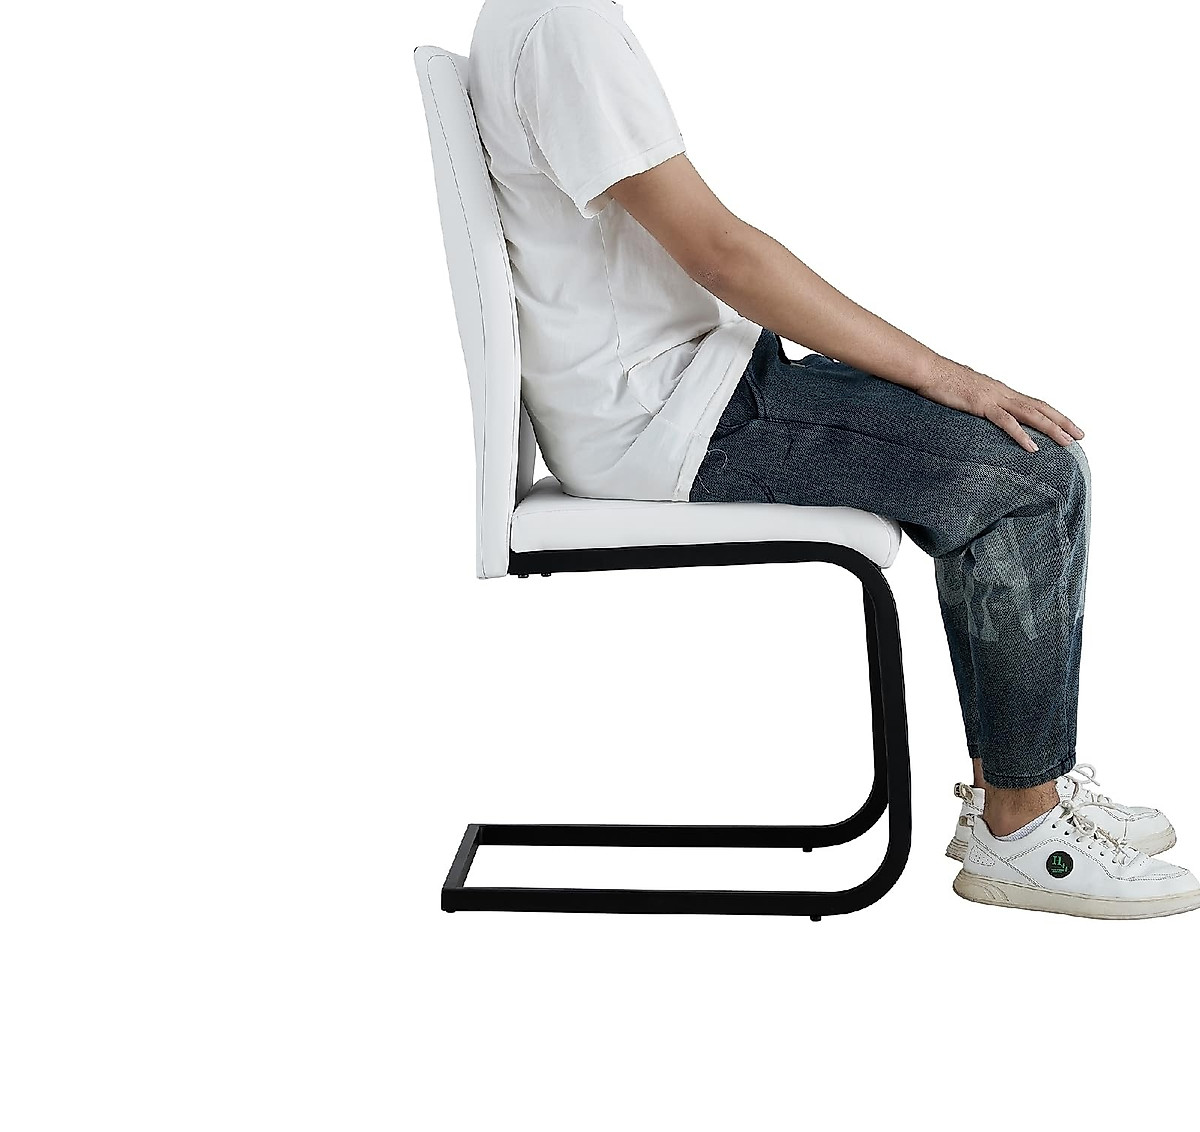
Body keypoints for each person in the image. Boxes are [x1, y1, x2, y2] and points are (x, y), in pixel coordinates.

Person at [466, 0, 1199, 919]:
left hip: (689, 387)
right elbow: (722, 255)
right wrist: (945, 376)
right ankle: (1024, 827)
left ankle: (1016, 789)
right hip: (673, 419)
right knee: (1032, 475)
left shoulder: (545, 15)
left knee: (1017, 461)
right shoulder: (563, 26)